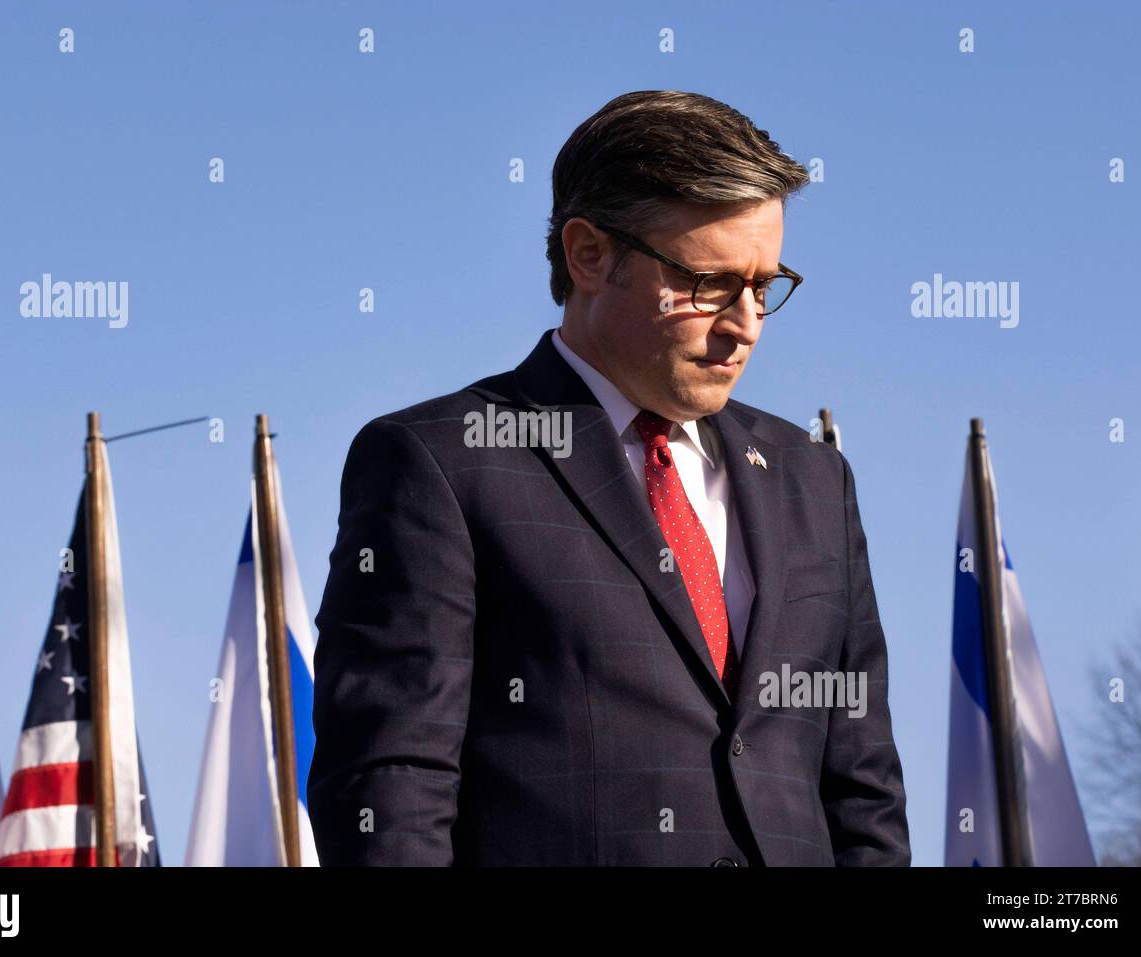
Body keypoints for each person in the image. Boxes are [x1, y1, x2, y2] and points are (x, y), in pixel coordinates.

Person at [307, 90, 910, 866]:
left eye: (763, 286)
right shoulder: (438, 463)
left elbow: (865, 796)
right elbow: (391, 791)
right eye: (709, 284)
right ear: (589, 254)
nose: (745, 324)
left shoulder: (816, 481)